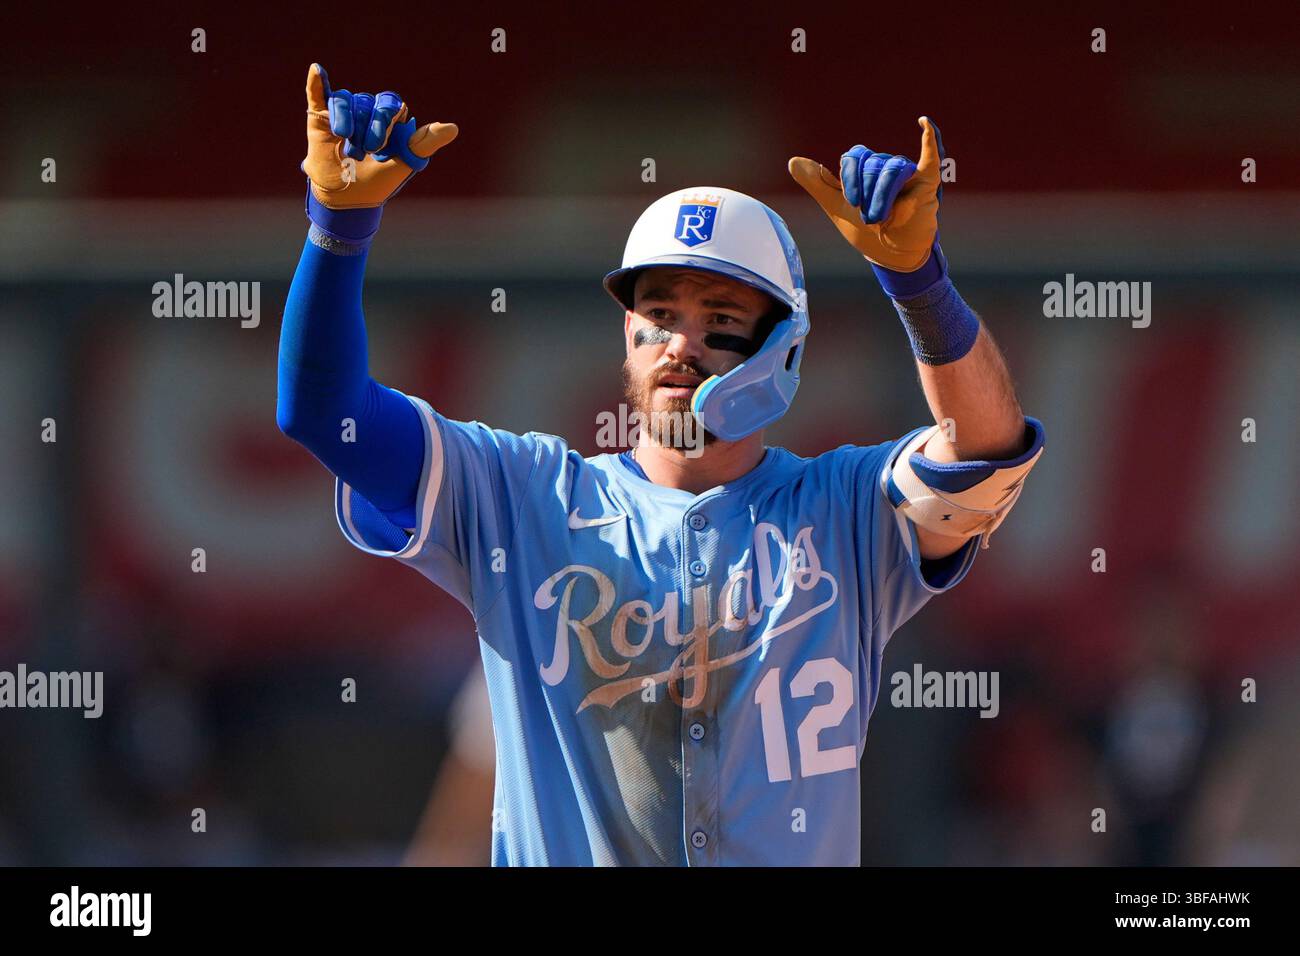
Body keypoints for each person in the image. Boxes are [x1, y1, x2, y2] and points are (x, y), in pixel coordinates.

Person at [278, 65, 1045, 866]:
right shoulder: (523, 495)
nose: (681, 343)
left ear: (782, 350)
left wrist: (919, 285)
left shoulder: (846, 507)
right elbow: (322, 413)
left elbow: (985, 446)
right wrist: (339, 227)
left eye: (719, 319)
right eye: (659, 314)